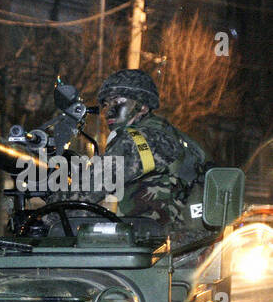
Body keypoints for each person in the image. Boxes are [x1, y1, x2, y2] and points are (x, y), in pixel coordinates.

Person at [83, 69, 211, 247]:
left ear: (142, 107)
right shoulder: (170, 135)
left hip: (158, 249)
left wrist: (44, 216)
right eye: (106, 104)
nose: (109, 112)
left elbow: (83, 192)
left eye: (118, 102)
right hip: (189, 244)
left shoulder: (136, 140)